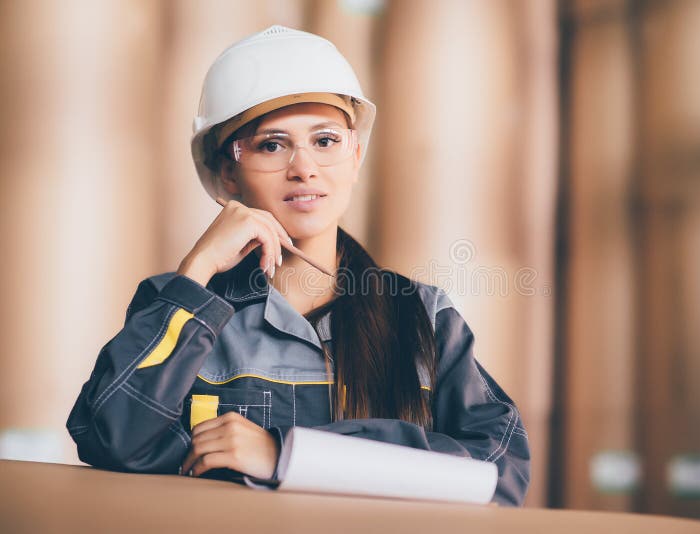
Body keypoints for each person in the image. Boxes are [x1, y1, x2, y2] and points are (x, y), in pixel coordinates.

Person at [66, 25, 530, 507]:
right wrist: (198, 266)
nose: (304, 167)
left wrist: (287, 454)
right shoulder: (180, 304)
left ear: (355, 155)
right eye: (272, 145)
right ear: (228, 171)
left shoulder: (422, 317)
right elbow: (109, 438)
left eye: (326, 141)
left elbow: (498, 473)